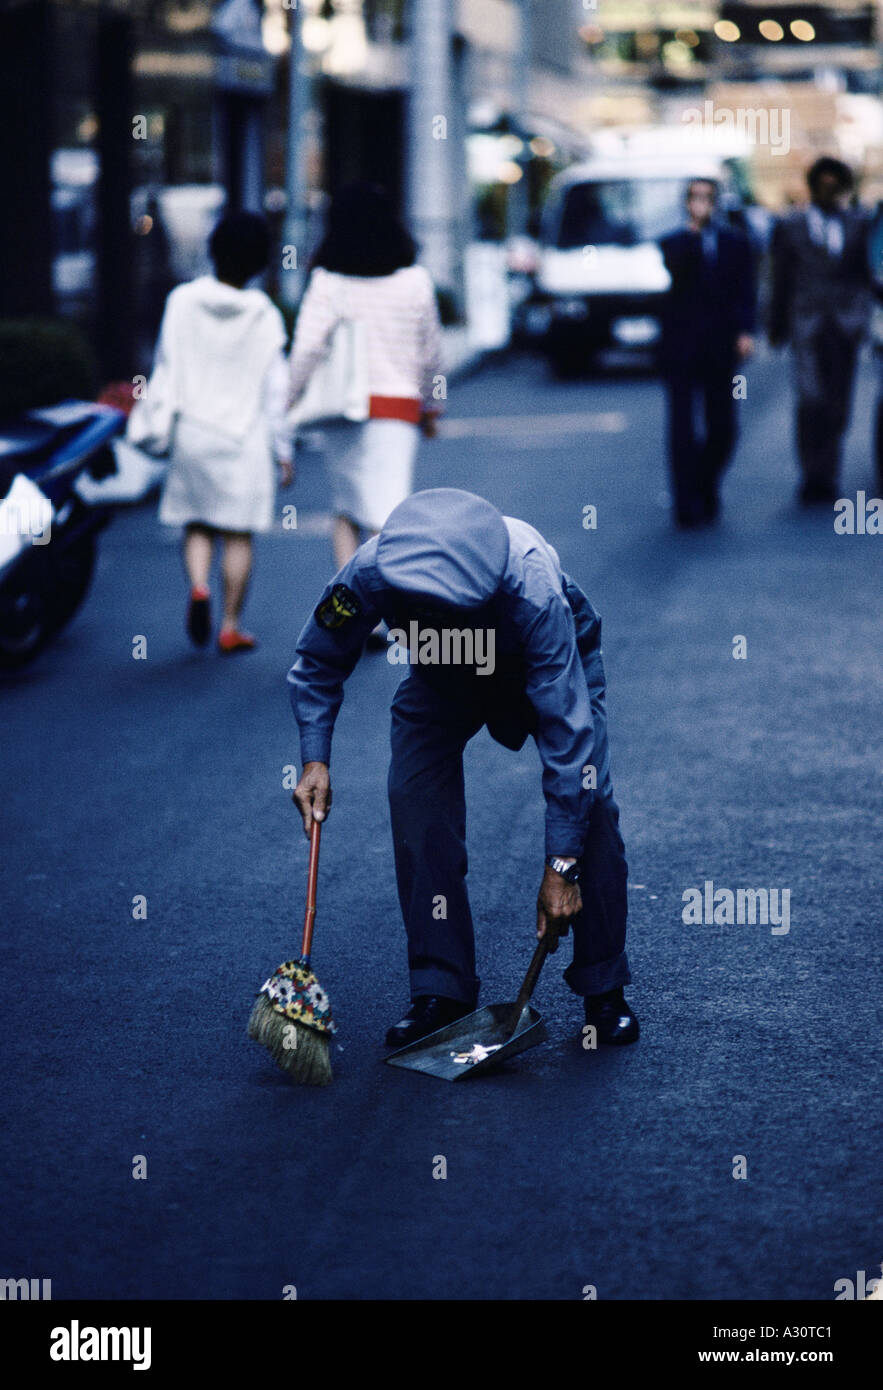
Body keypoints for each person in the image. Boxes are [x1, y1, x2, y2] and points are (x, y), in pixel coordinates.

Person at [287, 488, 639, 1049]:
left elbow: (567, 734)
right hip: (441, 676)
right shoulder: (372, 568)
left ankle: (604, 988)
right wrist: (314, 759)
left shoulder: (532, 587)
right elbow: (318, 661)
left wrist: (560, 866)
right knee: (415, 800)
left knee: (590, 804)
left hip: (538, 667)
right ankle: (442, 989)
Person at [150, 211, 292, 653]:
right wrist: (283, 449)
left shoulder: (182, 301)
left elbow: (164, 364)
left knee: (198, 522)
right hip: (244, 438)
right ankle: (230, 625)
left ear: (214, 250)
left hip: (194, 431)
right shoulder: (264, 313)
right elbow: (276, 389)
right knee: (238, 533)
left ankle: (198, 586)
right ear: (258, 260)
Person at [287, 183, 443, 581]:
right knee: (388, 512)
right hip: (398, 411)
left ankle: (353, 609)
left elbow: (306, 348)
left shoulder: (327, 281)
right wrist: (432, 405)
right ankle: (384, 605)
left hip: (342, 410)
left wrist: (288, 400)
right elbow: (430, 353)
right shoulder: (416, 282)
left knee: (346, 508)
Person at [768, 157, 871, 505]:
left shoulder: (859, 223)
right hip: (807, 324)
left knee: (839, 402)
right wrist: (775, 327)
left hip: (845, 324)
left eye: (836, 184)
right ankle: (812, 474)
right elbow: (779, 278)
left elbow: (869, 273)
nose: (829, 190)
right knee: (811, 398)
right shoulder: (790, 226)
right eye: (823, 183)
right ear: (812, 186)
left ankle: (829, 471)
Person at [658, 178, 756, 528]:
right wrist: (693, 232)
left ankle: (705, 483)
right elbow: (677, 270)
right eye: (694, 198)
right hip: (681, 347)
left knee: (723, 426)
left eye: (707, 198)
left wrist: (746, 330)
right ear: (686, 203)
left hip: (720, 346)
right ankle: (686, 504)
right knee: (682, 428)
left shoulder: (736, 243)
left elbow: (746, 289)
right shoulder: (674, 242)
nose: (701, 204)